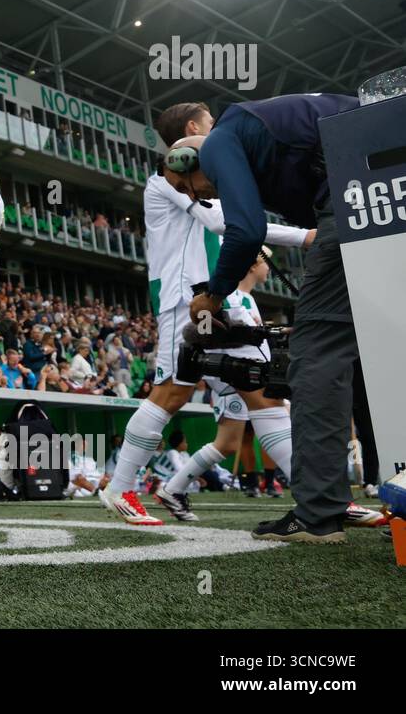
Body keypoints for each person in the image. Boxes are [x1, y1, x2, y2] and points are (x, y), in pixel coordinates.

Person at [162, 92, 372, 544]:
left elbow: (246, 231)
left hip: (358, 197)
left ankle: (319, 515)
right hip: (377, 184)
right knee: (374, 345)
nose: (197, 198)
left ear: (185, 158)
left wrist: (212, 298)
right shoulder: (251, 134)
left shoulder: (218, 143)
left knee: (317, 356)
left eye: (186, 188)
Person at [100, 101, 312, 528]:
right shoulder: (166, 177)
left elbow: (234, 221)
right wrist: (305, 236)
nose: (218, 130)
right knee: (171, 394)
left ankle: (317, 499)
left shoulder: (203, 172)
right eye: (211, 124)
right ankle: (119, 488)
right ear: (194, 129)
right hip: (187, 300)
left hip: (219, 299)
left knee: (264, 394)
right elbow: (225, 224)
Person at [151, 250, 298, 522]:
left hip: (246, 375)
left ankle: (172, 489)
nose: (270, 268)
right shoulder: (228, 295)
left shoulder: (246, 297)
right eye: (267, 262)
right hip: (238, 377)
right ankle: (312, 495)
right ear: (253, 265)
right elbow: (203, 334)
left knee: (227, 443)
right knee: (278, 417)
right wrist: (251, 334)